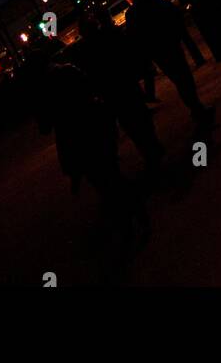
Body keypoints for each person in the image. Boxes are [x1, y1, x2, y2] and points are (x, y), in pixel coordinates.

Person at [41, 60, 148, 244]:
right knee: (110, 173)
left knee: (103, 181)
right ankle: (133, 213)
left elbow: (44, 126)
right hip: (96, 127)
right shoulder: (70, 71)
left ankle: (129, 220)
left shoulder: (45, 91)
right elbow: (92, 88)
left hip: (77, 138)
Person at [75, 11, 164, 172]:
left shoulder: (84, 50)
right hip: (125, 83)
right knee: (140, 116)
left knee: (130, 123)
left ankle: (148, 150)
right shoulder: (110, 36)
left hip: (110, 91)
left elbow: (88, 75)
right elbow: (129, 51)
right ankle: (153, 145)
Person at [125, 0, 215, 128]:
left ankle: (196, 108)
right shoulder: (154, 1)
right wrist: (176, 34)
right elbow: (174, 15)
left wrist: (147, 54)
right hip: (170, 45)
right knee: (184, 77)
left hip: (158, 52)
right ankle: (197, 108)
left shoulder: (132, 14)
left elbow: (135, 38)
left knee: (179, 79)